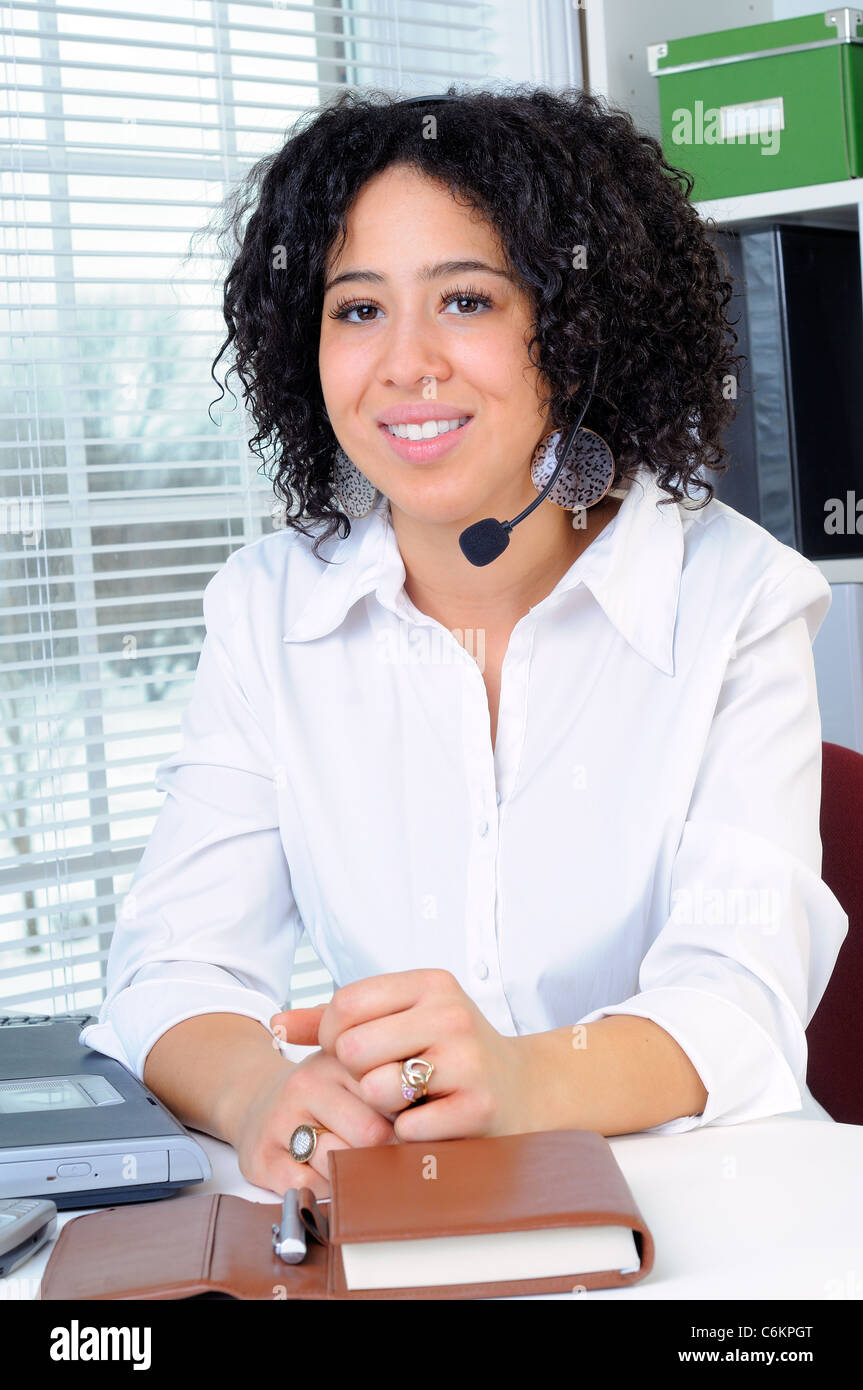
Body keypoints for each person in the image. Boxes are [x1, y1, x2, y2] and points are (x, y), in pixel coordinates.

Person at [80, 88, 848, 1200]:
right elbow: (172, 968)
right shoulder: (264, 608)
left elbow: (737, 999)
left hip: (704, 1213)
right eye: (356, 310)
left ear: (580, 329)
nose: (405, 364)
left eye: (466, 300)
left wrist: (521, 1079)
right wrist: (263, 1096)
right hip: (410, 1213)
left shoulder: (732, 595)